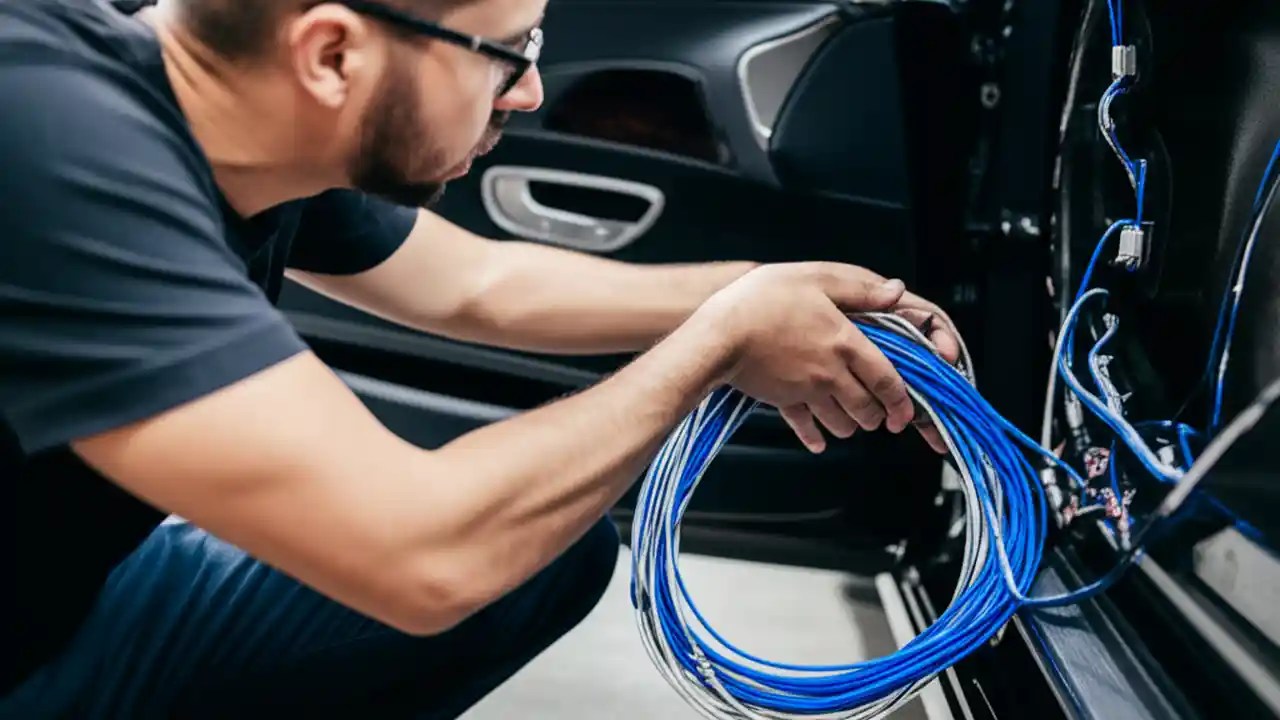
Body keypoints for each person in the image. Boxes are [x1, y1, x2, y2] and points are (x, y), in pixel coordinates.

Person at [0, 0, 962, 716]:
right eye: (508, 54)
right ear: (332, 53)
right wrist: (717, 348)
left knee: (543, 548)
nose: (532, 91)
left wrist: (781, 293)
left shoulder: (240, 118)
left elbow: (475, 285)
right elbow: (421, 553)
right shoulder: (45, 143)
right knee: (470, 552)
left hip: (76, 602)